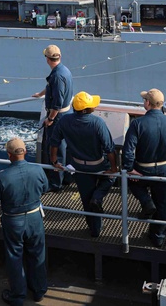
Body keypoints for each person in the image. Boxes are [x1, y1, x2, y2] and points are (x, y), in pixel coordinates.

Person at [0, 138, 49, 306]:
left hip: (13, 221)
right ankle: (39, 291)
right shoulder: (38, 170)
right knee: (37, 254)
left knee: (15, 257)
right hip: (35, 218)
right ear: (25, 151)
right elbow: (45, 188)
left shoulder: (2, 177)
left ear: (9, 155)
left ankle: (18, 296)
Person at [49, 91, 116, 238]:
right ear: (86, 110)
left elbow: (54, 142)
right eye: (92, 105)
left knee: (86, 199)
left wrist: (54, 161)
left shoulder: (64, 121)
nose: (94, 107)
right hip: (98, 165)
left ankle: (94, 230)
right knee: (111, 178)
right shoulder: (97, 122)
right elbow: (109, 148)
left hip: (78, 166)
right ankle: (98, 196)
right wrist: (113, 169)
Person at [123, 88, 166, 247]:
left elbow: (128, 150)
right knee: (162, 204)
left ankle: (146, 201)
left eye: (144, 100)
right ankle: (158, 237)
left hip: (142, 169)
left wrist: (129, 169)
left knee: (131, 182)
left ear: (148, 103)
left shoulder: (137, 124)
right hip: (164, 169)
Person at [32, 44, 73, 191]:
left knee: (56, 148)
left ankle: (56, 183)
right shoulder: (64, 70)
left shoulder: (57, 76)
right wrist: (41, 94)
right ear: (59, 56)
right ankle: (66, 177)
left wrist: (50, 119)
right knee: (65, 147)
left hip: (58, 117)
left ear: (47, 59)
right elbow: (52, 87)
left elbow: (57, 102)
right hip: (66, 113)